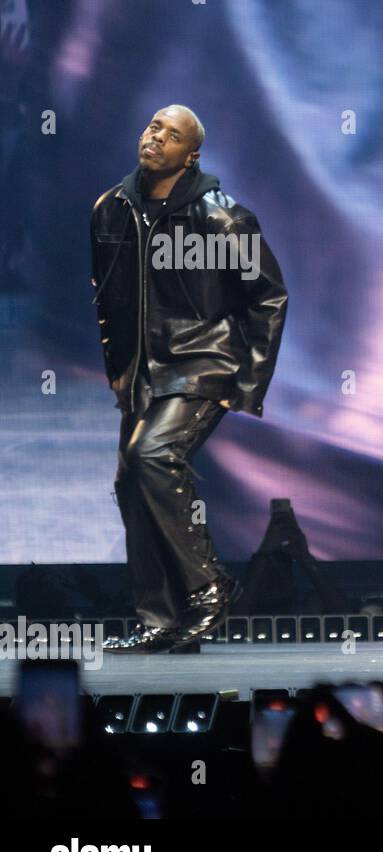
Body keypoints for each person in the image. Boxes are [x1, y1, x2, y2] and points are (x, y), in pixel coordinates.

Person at [91, 105, 288, 652]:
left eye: (171, 135)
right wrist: (119, 372)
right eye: (153, 126)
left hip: (204, 363)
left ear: (191, 154)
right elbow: (109, 298)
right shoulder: (112, 209)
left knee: (152, 456)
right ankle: (159, 620)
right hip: (141, 374)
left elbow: (268, 297)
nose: (155, 138)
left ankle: (209, 587)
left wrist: (246, 385)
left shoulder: (221, 217)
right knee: (131, 481)